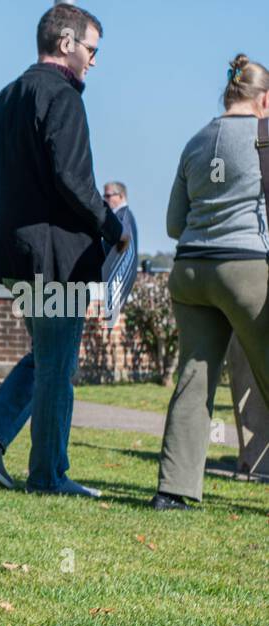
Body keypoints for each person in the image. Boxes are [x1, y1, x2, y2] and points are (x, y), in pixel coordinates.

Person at [0, 3, 125, 497]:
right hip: (57, 259)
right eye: (91, 49)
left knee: (50, 354)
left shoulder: (3, 98)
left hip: (14, 252)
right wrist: (113, 228)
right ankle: (45, 471)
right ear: (67, 43)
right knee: (57, 365)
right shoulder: (65, 97)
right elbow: (75, 179)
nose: (93, 61)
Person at [151, 55, 269, 511]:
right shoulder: (264, 136)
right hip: (245, 270)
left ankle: (173, 490)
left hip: (191, 270)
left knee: (194, 378)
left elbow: (173, 223)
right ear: (264, 99)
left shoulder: (196, 141)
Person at [103, 181, 138, 250]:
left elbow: (122, 249)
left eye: (108, 196)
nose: (105, 199)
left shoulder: (123, 217)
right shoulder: (126, 215)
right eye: (104, 196)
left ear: (121, 195)